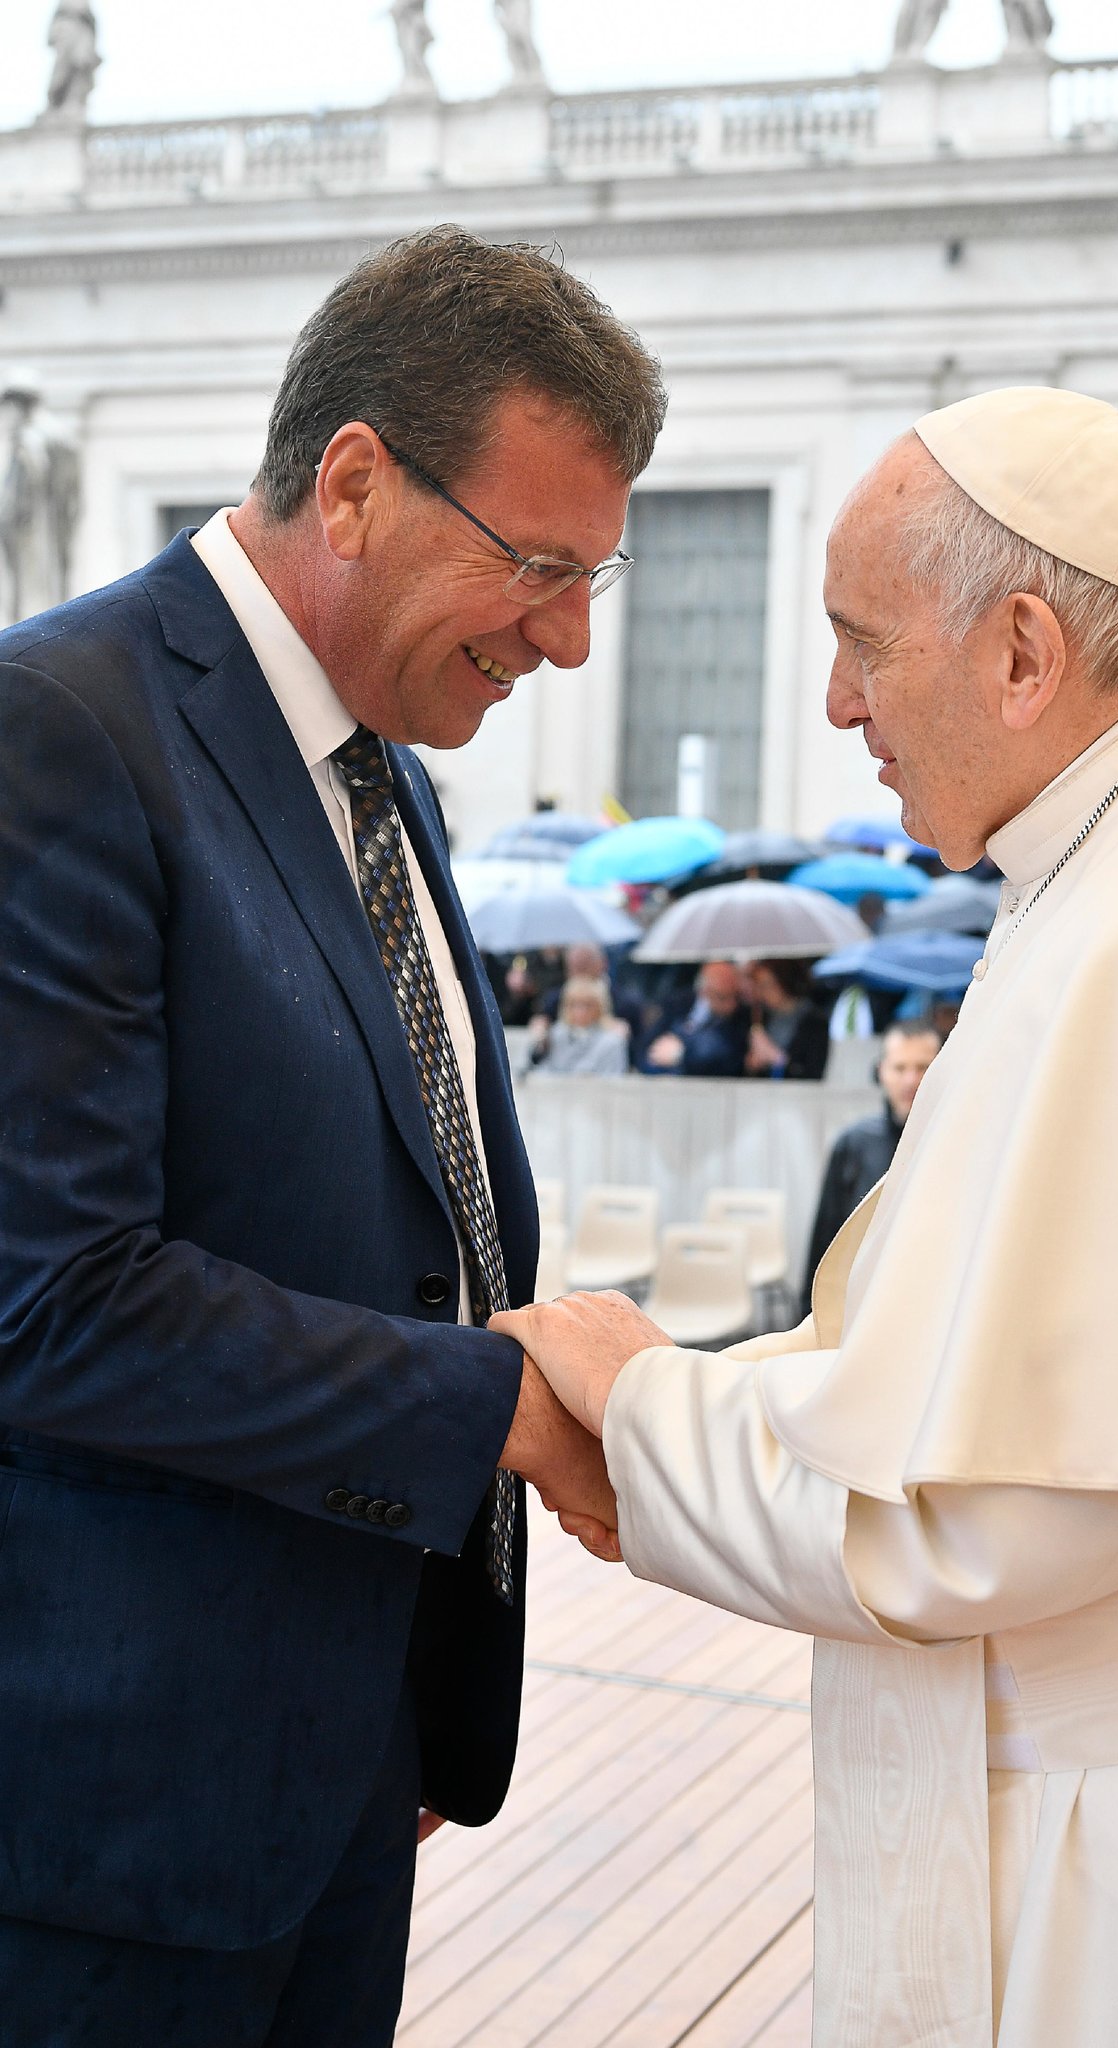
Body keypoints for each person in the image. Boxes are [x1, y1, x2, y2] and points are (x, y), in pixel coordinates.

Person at [494, 387, 1118, 2046]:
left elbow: (990, 1504)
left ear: (1023, 650)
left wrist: (634, 1398)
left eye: (862, 642)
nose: (835, 702)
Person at [0, 224, 664, 2044]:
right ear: (355, 482)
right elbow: (51, 1299)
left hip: (349, 1772)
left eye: (594, 576)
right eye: (537, 564)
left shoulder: (386, 777)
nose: (569, 636)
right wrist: (496, 1403)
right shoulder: (55, 732)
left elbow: (401, 1214)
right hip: (104, 1836)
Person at [801, 1021, 940, 1302]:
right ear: (881, 1072)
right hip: (863, 1301)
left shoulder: (959, 1141)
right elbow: (826, 1239)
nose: (911, 1080)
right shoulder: (854, 1144)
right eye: (900, 1068)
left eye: (923, 1067)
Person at [644, 960, 750, 1077]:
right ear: (704, 991)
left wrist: (682, 1054)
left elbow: (727, 1057)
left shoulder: (742, 1015)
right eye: (722, 997)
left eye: (735, 995)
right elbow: (647, 1047)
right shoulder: (678, 1003)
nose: (731, 1004)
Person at [745, 957, 829, 1080]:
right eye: (759, 986)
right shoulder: (762, 1018)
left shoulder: (815, 1022)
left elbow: (813, 1074)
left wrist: (777, 1058)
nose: (762, 992)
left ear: (784, 981)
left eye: (767, 985)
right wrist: (753, 1064)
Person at [529, 976, 629, 1076]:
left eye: (587, 1005)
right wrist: (540, 1044)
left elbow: (614, 1078)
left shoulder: (612, 1042)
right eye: (574, 1004)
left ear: (600, 1007)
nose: (580, 1011)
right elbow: (541, 1071)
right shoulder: (554, 1035)